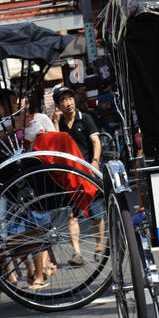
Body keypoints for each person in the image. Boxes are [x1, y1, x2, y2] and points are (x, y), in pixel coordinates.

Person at [53, 87, 104, 262]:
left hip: (89, 170)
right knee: (72, 214)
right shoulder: (59, 123)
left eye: (70, 98)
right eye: (63, 100)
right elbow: (56, 143)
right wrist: (54, 122)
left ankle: (99, 246)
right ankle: (77, 253)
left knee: (96, 213)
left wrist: (95, 161)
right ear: (58, 105)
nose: (68, 103)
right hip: (70, 174)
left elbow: (96, 141)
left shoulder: (85, 119)